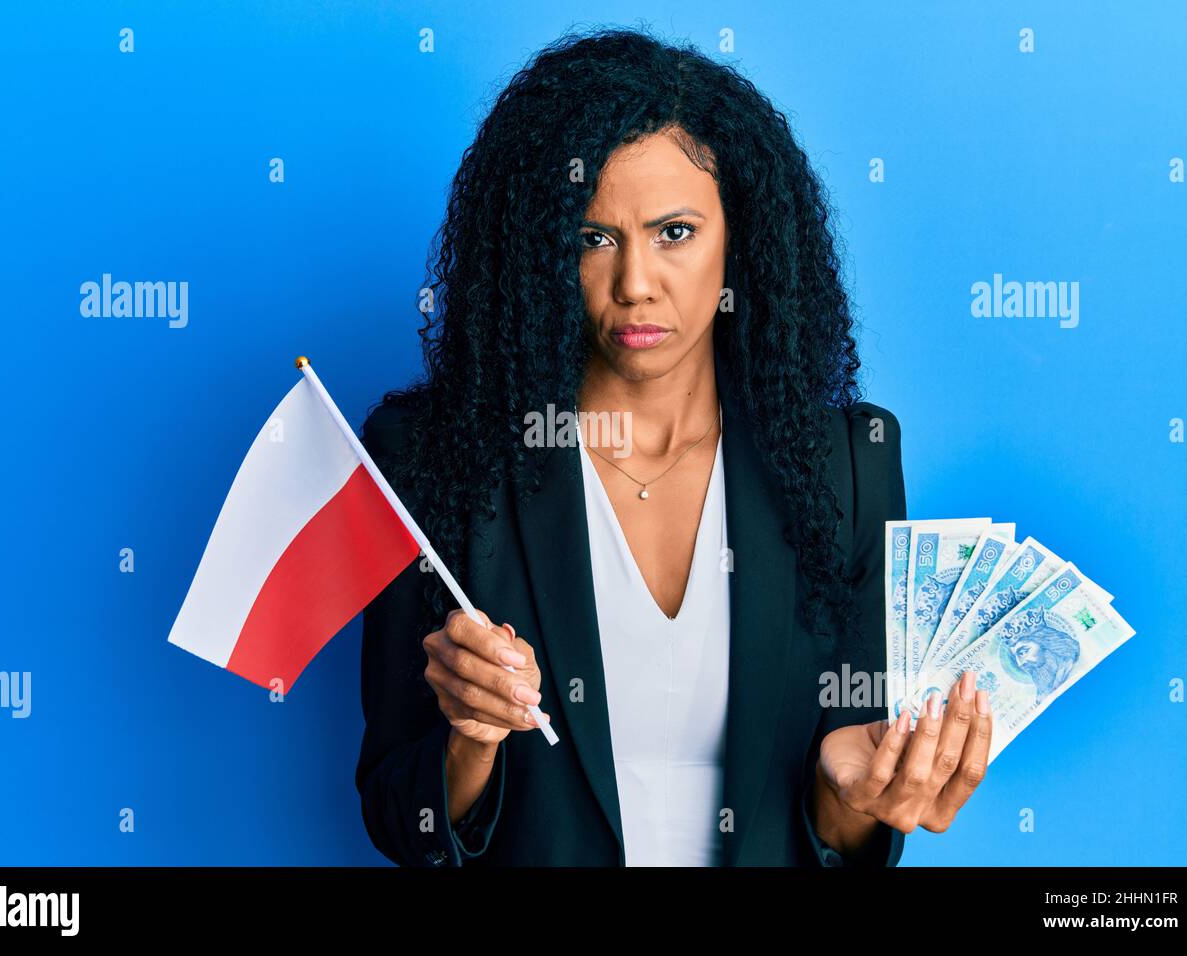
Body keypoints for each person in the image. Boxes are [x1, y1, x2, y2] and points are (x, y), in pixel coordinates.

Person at [354, 26, 990, 867]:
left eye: (676, 233)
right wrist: (471, 739)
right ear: (540, 252)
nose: (635, 283)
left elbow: (844, 833)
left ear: (741, 241)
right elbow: (401, 821)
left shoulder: (848, 465)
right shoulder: (429, 459)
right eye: (593, 238)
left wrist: (855, 795)